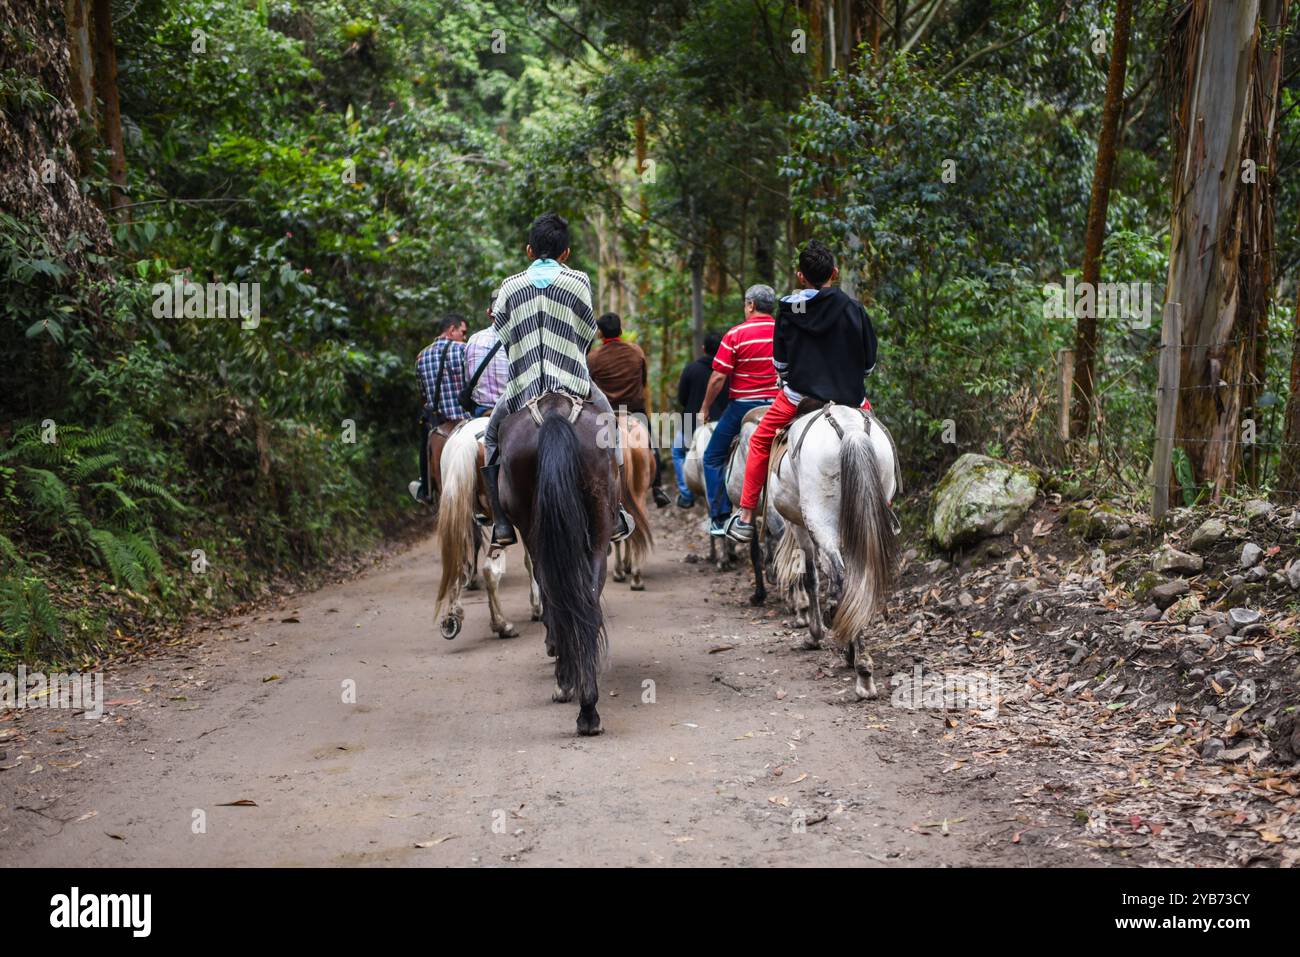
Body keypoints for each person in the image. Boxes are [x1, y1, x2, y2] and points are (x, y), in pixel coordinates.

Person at [481, 212, 634, 548]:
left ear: (528, 250)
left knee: (491, 439)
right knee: (609, 426)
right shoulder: (578, 281)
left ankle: (502, 522)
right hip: (573, 383)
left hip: (522, 389)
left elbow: (503, 335)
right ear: (566, 253)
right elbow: (585, 333)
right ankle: (618, 509)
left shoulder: (509, 286)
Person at [725, 239, 878, 542]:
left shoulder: (788, 308)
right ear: (834, 272)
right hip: (850, 399)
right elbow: (868, 365)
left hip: (798, 398)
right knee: (879, 437)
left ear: (800, 276)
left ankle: (744, 517)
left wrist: (792, 376)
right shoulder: (854, 308)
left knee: (757, 442)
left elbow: (780, 363)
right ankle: (884, 508)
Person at [698, 284, 781, 536]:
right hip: (780, 406)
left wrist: (705, 408)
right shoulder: (785, 332)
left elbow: (717, 378)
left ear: (751, 305)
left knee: (712, 457)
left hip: (744, 406)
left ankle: (721, 518)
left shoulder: (736, 334)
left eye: (746, 304)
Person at [587, 312, 671, 508]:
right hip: (635, 411)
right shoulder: (636, 351)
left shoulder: (593, 358)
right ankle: (658, 487)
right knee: (651, 445)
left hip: (605, 414)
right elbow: (643, 381)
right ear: (621, 330)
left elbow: (589, 387)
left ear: (600, 334)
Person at [409, 313, 469, 504]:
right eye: (463, 332)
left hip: (438, 422)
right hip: (464, 420)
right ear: (452, 330)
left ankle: (425, 488)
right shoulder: (463, 350)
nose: (465, 337)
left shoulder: (421, 356)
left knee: (425, 442)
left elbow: (423, 394)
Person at [672, 331, 727, 508]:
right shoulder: (728, 369)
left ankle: (687, 495)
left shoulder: (691, 369)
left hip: (692, 421)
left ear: (704, 349)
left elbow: (681, 398)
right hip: (722, 421)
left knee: (678, 452)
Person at [463, 290, 510, 416]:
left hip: (482, 411)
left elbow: (468, 379)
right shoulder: (522, 340)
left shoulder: (474, 340)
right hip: (513, 411)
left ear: (489, 313)